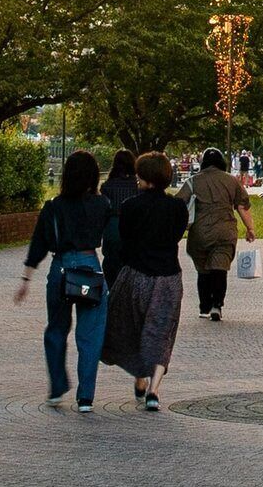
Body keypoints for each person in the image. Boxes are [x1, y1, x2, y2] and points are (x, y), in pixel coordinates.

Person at [16, 150, 119, 412]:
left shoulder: (53, 206)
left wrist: (26, 278)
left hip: (61, 267)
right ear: (93, 176)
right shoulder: (102, 204)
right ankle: (85, 397)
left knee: (57, 329)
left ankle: (57, 387)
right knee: (90, 334)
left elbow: (39, 243)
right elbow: (113, 238)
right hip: (89, 266)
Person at [102, 151, 189, 409]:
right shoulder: (178, 208)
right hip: (168, 277)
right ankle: (154, 389)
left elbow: (125, 240)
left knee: (134, 327)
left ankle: (139, 376)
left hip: (136, 274)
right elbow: (176, 236)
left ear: (145, 177)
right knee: (162, 329)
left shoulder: (130, 206)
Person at [186, 146, 254, 323]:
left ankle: (204, 307)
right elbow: (242, 206)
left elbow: (179, 203)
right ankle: (217, 305)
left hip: (199, 232)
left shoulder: (193, 181)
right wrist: (250, 229)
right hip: (225, 231)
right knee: (220, 268)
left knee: (203, 270)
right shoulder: (232, 181)